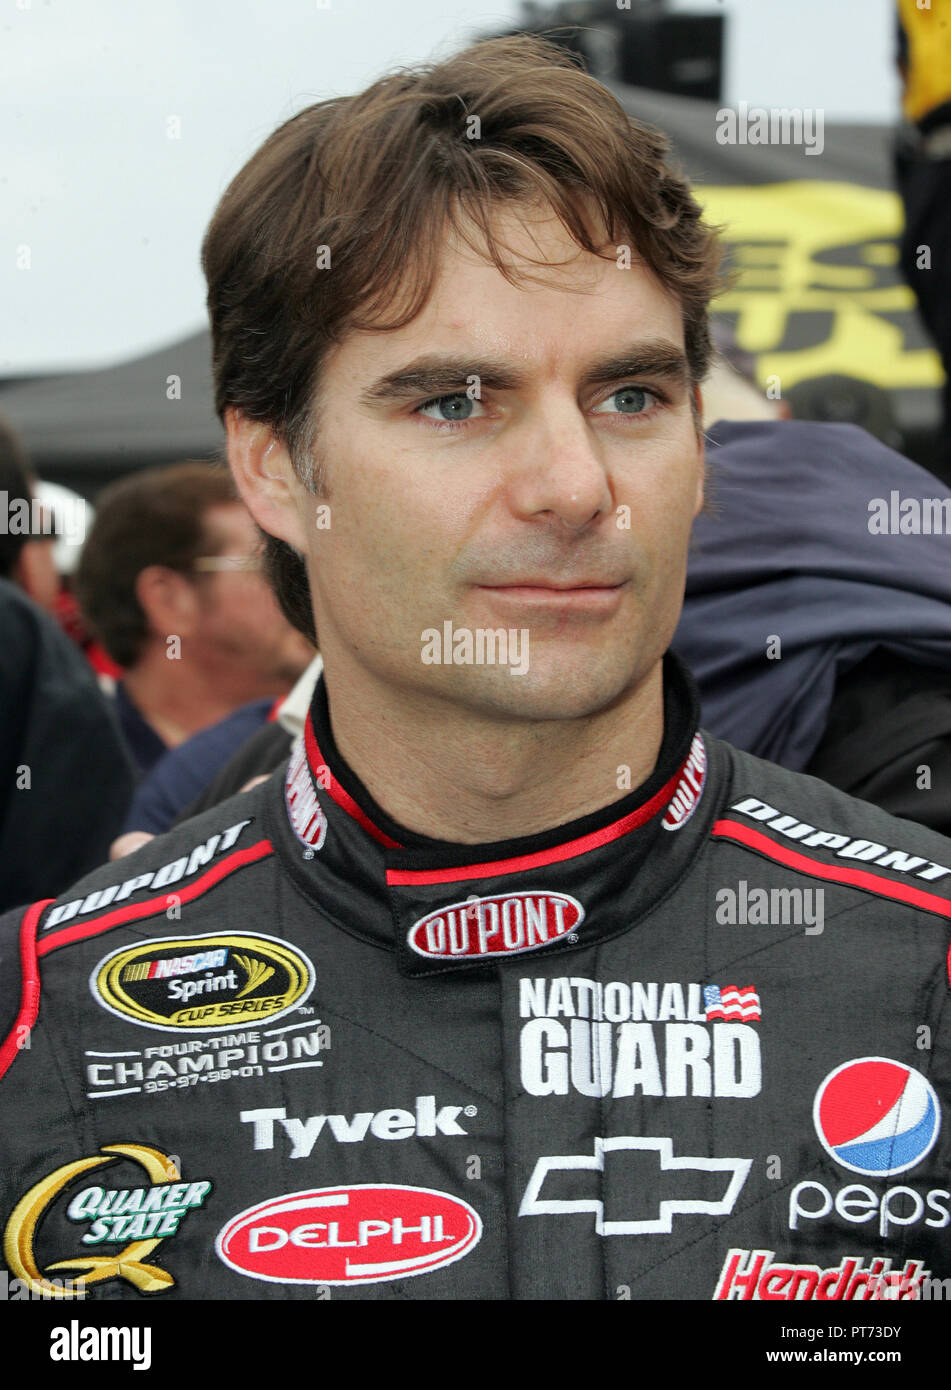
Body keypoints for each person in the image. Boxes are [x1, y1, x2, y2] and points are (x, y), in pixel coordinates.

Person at [2, 34, 950, 1303]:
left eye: (631, 397)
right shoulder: (43, 1020)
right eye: (454, 401)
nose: (576, 487)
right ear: (273, 467)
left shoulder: (921, 963)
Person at [74, 460, 314, 776]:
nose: (305, 586)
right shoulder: (77, 770)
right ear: (168, 601)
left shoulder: (325, 751)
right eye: (270, 564)